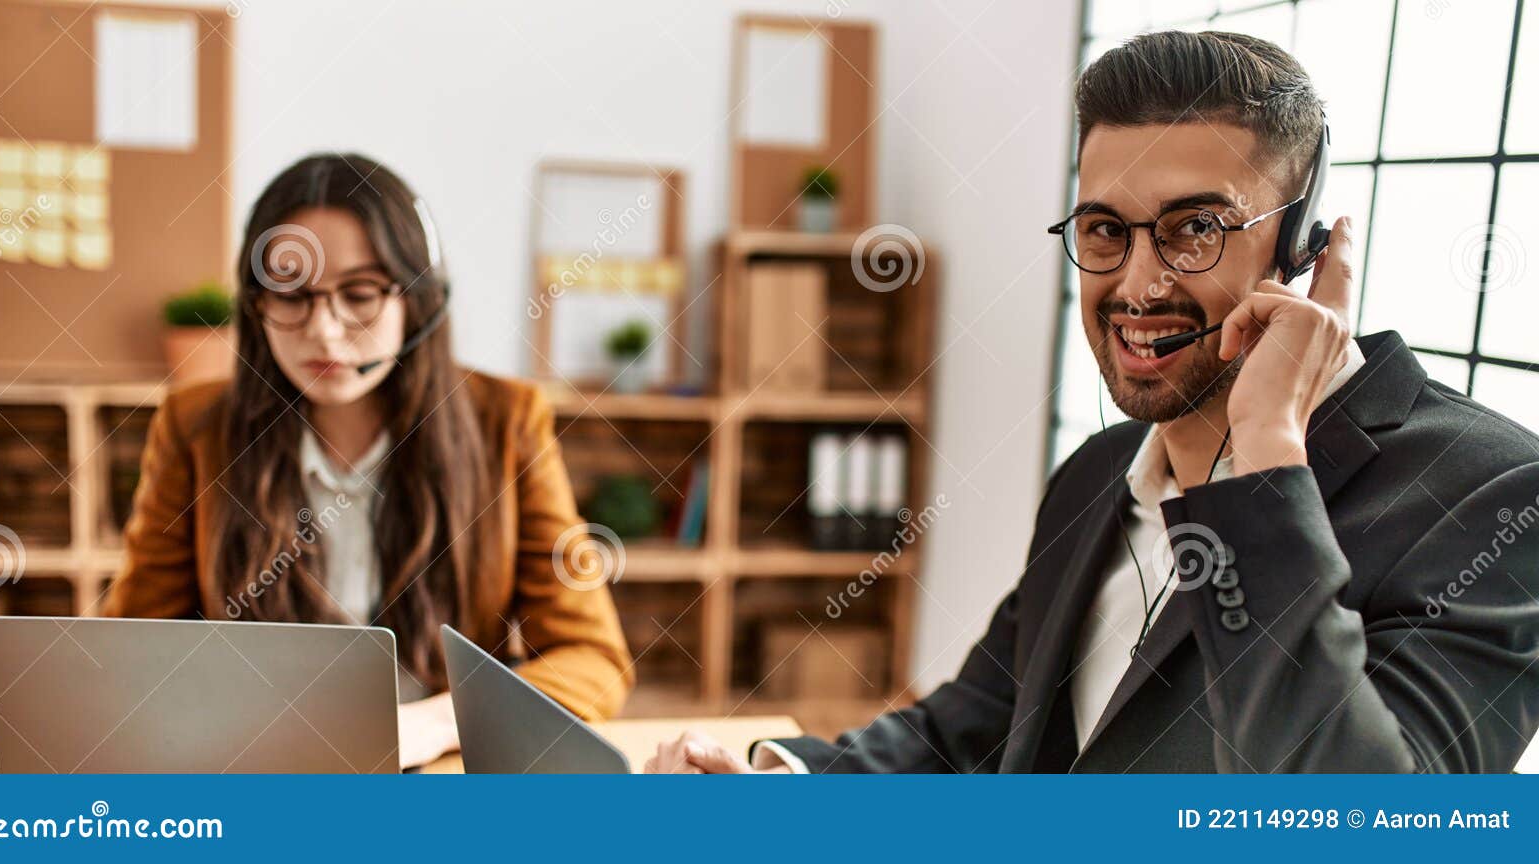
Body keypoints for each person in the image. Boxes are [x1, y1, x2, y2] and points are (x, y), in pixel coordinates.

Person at [646, 30, 1539, 773]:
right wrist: (780, 781)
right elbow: (975, 728)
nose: (1137, 284)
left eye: (1196, 229)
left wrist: (1268, 447)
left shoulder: (1494, 491)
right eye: (1105, 230)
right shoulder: (1100, 472)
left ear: (1301, 251)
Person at [104, 154, 633, 769]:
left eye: (359, 294)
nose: (324, 332)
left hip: (436, 774)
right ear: (255, 304)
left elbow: (592, 657)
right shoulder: (197, 425)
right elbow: (135, 653)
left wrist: (436, 721)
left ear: (420, 299)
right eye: (290, 295)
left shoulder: (506, 421)